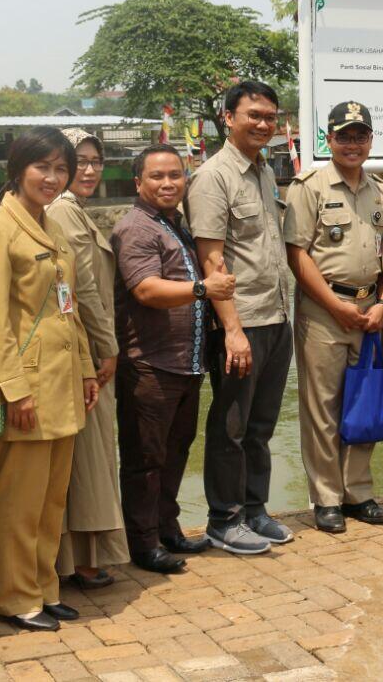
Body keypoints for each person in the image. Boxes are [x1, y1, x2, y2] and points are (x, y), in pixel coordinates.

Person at [0, 126, 98, 632]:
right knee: (18, 500)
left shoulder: (51, 225)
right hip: (26, 383)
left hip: (62, 378)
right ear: (17, 168)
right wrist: (13, 388)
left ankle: (44, 588)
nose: (53, 177)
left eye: (61, 168)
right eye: (42, 166)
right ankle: (14, 597)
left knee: (51, 498)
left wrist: (87, 369)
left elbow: (69, 307)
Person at [185, 80, 293, 555]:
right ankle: (223, 519)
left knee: (261, 424)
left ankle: (255, 509)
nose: (264, 124)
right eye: (254, 115)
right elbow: (212, 260)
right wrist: (231, 331)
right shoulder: (213, 176)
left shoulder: (264, 170)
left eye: (270, 117)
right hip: (241, 321)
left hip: (275, 314)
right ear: (228, 118)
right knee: (230, 425)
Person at [113, 146, 234, 570]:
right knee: (145, 458)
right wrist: (204, 289)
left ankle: (167, 528)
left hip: (186, 363)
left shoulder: (175, 224)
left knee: (176, 450)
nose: (168, 183)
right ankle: (142, 544)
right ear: (138, 183)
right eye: (157, 177)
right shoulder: (135, 228)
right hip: (149, 364)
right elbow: (145, 289)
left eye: (175, 176)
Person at [284, 101, 383, 534]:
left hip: (371, 311)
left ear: (370, 140)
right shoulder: (309, 186)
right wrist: (335, 306)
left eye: (360, 136)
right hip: (325, 311)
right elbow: (297, 253)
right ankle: (327, 497)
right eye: (344, 136)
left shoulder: (382, 191)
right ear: (328, 140)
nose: (352, 144)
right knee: (323, 407)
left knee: (365, 399)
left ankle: (359, 492)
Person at [47, 129, 129, 587]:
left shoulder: (73, 211)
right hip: (89, 350)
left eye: (96, 160)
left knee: (87, 456)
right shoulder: (62, 211)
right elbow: (85, 291)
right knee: (87, 457)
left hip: (88, 348)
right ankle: (79, 561)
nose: (90, 170)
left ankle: (81, 556)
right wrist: (108, 346)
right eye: (78, 161)